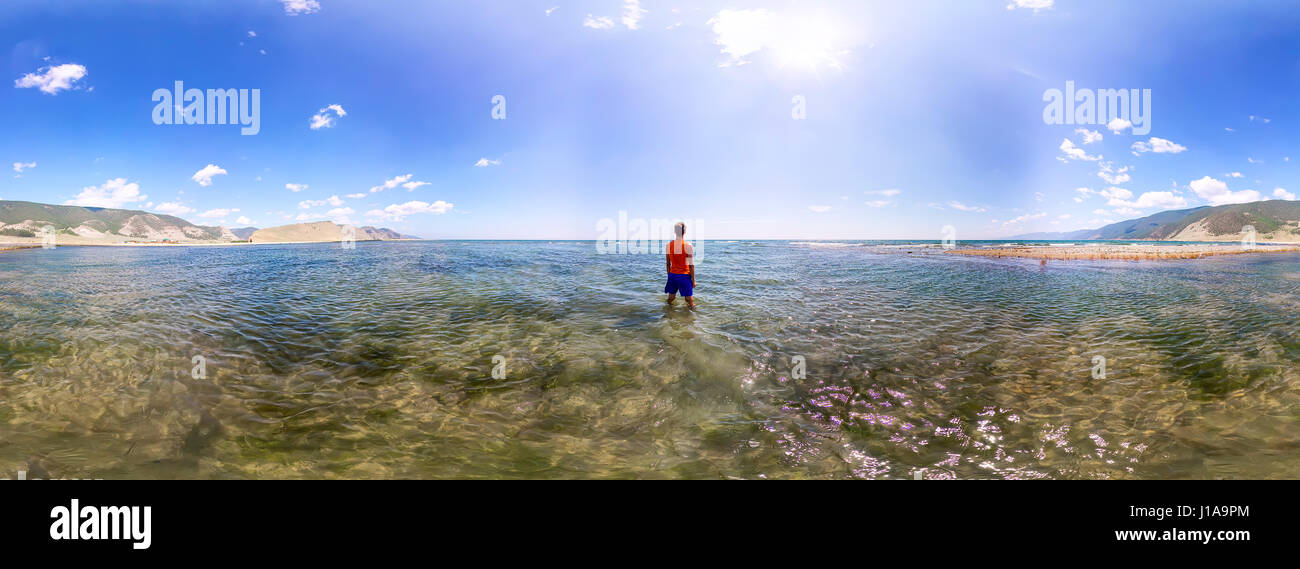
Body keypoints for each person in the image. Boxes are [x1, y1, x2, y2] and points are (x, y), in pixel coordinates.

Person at [664, 222, 696, 308]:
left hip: (672, 275)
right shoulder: (688, 246)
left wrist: (669, 276)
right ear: (684, 232)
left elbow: (667, 263)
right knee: (689, 299)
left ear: (675, 231)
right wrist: (693, 280)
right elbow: (691, 265)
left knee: (671, 297)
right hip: (684, 276)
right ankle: (691, 317)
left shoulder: (668, 245)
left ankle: (668, 312)